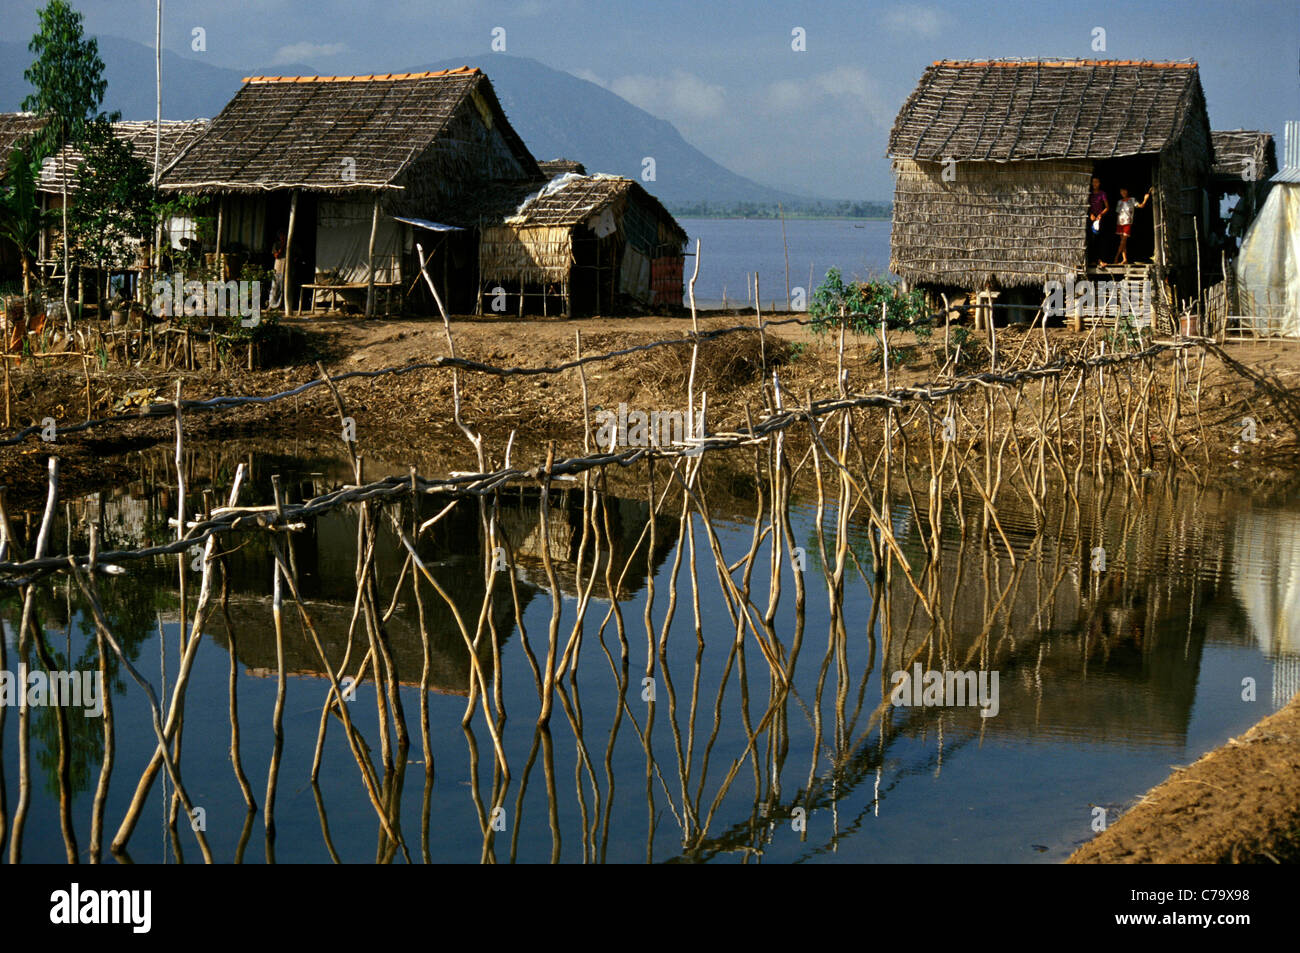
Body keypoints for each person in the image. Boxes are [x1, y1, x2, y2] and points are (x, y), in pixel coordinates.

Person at [1113, 187, 1152, 265]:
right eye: (1121, 191)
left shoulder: (1132, 200)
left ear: (1127, 191)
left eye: (1124, 190)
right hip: (1119, 223)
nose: (1123, 192)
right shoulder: (1119, 202)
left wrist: (1145, 199)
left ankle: (1116, 258)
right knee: (1123, 243)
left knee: (1123, 241)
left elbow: (1141, 206)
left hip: (1127, 223)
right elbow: (1118, 213)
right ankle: (1125, 259)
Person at [1086, 177, 1109, 267]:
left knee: (1099, 240)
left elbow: (1107, 207)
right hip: (1091, 219)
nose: (1095, 184)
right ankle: (1092, 260)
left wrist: (1100, 215)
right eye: (1093, 182)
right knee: (1091, 240)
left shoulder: (1102, 194)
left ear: (1099, 183)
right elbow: (1086, 205)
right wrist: (1090, 214)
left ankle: (1100, 260)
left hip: (1099, 219)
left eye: (1096, 182)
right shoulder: (1089, 194)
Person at [268, 231, 286, 308]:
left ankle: (280, 304)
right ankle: (272, 304)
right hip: (278, 267)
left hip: (286, 269)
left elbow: (298, 254)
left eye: (283, 235)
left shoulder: (291, 244)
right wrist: (281, 247)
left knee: (283, 287)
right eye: (281, 236)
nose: (282, 237)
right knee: (275, 286)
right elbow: (276, 255)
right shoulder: (277, 244)